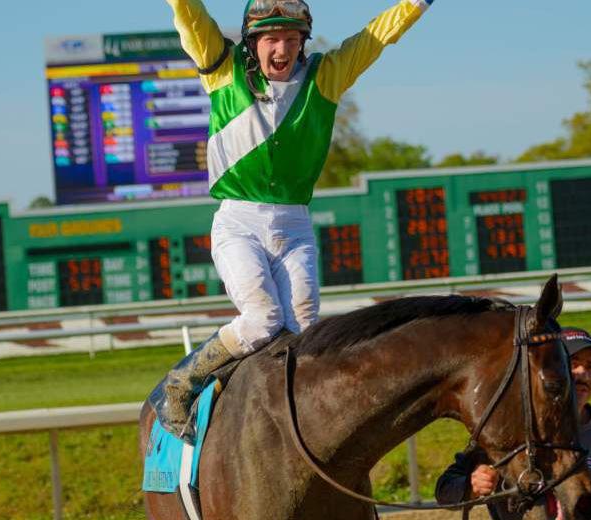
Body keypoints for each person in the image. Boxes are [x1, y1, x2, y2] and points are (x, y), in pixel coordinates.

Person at [148, 0, 436, 443]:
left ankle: (286, 422)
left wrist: (418, 4)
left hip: (295, 225)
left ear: (303, 42)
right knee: (262, 319)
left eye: (290, 39)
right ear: (253, 44)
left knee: (304, 332)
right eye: (271, 39)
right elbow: (190, 18)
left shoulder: (327, 75)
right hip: (238, 222)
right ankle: (179, 383)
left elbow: (377, 36)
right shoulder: (222, 68)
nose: (281, 49)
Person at [435, 327, 591, 520]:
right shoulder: (508, 430)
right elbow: (444, 491)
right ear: (554, 369)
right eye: (573, 363)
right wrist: (472, 486)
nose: (583, 374)